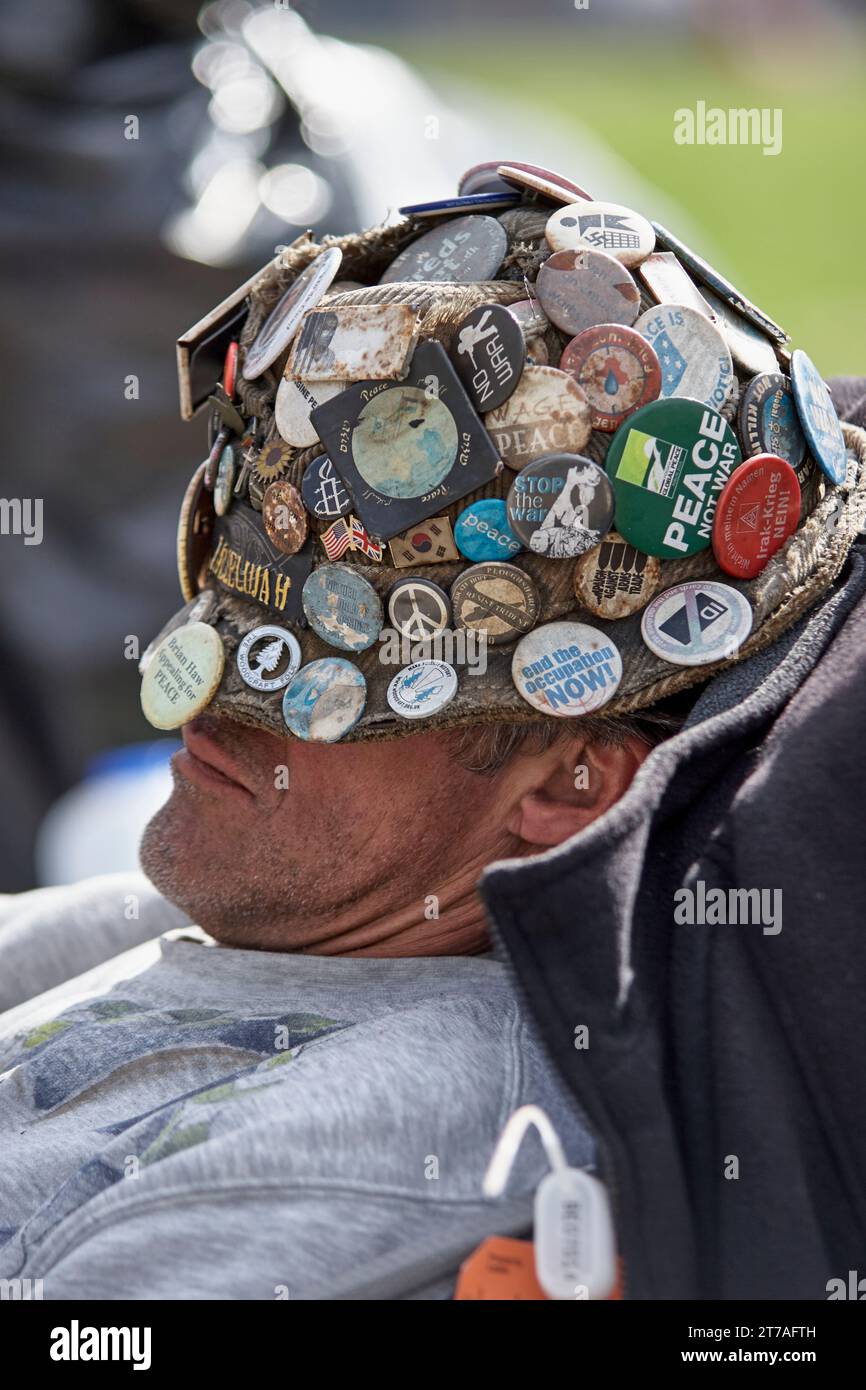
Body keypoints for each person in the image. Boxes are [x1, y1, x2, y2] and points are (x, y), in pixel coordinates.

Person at [1, 170, 864, 1302]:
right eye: (230, 614)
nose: (203, 693)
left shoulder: (345, 1165)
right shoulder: (230, 896)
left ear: (568, 785)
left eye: (322, 683)